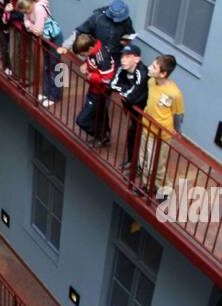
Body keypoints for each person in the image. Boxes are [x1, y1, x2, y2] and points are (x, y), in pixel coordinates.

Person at [140, 54, 185, 193]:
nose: (149, 68)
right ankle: (151, 185)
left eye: (154, 67)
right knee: (145, 160)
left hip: (161, 134)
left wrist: (177, 131)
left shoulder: (174, 93)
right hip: (146, 127)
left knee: (156, 166)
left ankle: (158, 190)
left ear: (163, 73)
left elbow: (178, 114)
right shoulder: (151, 82)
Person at [15, 0, 63, 107]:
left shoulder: (39, 9)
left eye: (25, 11)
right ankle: (47, 93)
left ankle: (55, 95)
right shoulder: (29, 11)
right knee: (47, 65)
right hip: (46, 38)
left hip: (54, 38)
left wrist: (30, 27)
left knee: (54, 66)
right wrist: (31, 26)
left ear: (29, 6)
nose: (25, 13)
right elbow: (26, 20)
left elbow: (38, 31)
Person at [109, 43, 149, 171]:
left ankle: (139, 166)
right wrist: (125, 90)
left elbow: (131, 97)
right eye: (122, 56)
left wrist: (124, 91)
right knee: (133, 135)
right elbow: (112, 84)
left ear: (137, 59)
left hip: (144, 114)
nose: (123, 60)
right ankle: (132, 162)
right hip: (132, 112)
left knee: (140, 139)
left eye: (127, 57)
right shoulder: (122, 69)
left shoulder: (142, 74)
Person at [60, 0, 135, 66]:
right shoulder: (98, 18)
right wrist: (65, 46)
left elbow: (130, 35)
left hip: (115, 58)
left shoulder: (126, 21)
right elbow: (79, 31)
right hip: (96, 56)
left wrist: (126, 42)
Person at [72, 33, 116, 147]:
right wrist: (86, 65)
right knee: (100, 113)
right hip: (94, 89)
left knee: (82, 120)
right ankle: (104, 134)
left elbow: (107, 79)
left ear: (90, 48)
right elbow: (91, 61)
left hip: (100, 92)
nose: (83, 56)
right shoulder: (93, 52)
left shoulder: (102, 58)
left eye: (83, 54)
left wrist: (91, 76)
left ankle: (102, 136)